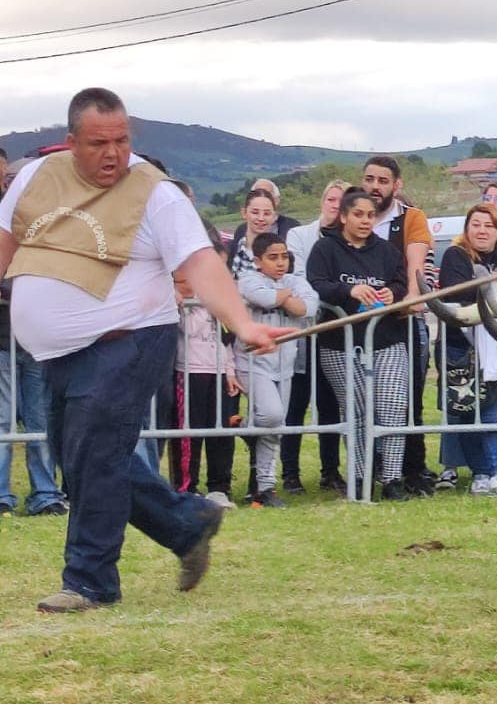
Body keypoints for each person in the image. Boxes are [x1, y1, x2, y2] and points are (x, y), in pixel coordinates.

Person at [0, 88, 289, 612]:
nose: (113, 154)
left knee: (92, 454)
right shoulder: (35, 177)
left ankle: (89, 580)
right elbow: (6, 239)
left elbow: (201, 262)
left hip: (129, 341)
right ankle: (187, 523)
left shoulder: (156, 194)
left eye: (122, 140)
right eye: (98, 143)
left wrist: (241, 322)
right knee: (85, 457)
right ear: (71, 142)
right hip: (61, 355)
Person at [306, 187, 414, 501]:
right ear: (343, 217)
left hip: (387, 339)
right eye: (358, 214)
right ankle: (360, 477)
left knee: (393, 407)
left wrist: (393, 293)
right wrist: (348, 292)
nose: (365, 221)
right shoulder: (325, 249)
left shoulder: (387, 251)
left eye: (370, 215)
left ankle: (392, 479)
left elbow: (398, 280)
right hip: (341, 344)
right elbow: (318, 284)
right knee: (357, 411)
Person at [360, 155, 439, 497]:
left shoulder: (411, 219)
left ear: (396, 185)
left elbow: (415, 264)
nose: (375, 186)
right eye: (370, 179)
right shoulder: (354, 215)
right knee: (362, 403)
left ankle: (412, 470)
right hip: (360, 324)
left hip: (403, 321)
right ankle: (364, 472)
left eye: (382, 180)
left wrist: (410, 301)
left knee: (409, 401)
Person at [436, 205, 497, 496]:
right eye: (476, 224)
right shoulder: (454, 255)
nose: (482, 230)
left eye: (489, 225)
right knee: (465, 409)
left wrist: (484, 287)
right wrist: (490, 286)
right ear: (467, 228)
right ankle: (480, 473)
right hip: (459, 346)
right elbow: (452, 290)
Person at [234, 231, 317, 507]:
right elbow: (261, 297)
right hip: (253, 361)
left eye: (284, 257)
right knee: (271, 416)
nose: (281, 263)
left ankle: (265, 487)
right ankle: (248, 427)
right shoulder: (248, 278)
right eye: (273, 257)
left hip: (285, 364)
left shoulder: (296, 280)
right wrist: (284, 297)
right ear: (258, 261)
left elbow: (308, 307)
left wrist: (285, 297)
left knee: (275, 426)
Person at [286, 180, 348, 492]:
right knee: (295, 403)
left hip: (333, 331)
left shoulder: (345, 242)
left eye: (341, 201)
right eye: (331, 199)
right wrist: (320, 300)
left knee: (329, 404)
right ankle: (290, 472)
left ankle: (330, 471)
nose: (335, 205)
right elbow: (297, 277)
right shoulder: (299, 235)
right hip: (303, 329)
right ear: (323, 201)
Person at [166, 271, 241, 505]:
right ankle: (186, 486)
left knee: (221, 431)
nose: (187, 284)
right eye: (181, 281)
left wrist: (229, 370)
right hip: (189, 372)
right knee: (189, 432)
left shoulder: (211, 297)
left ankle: (220, 487)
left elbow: (226, 339)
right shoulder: (175, 303)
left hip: (217, 371)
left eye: (190, 278)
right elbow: (190, 329)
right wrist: (189, 301)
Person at [0, 275, 65, 516]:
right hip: (6, 345)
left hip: (38, 346)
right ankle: (4, 495)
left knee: (40, 422)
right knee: (3, 422)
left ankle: (45, 493)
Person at [226, 186, 284, 279]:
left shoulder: (281, 253)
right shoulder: (230, 251)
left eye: (267, 213)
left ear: (274, 216)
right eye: (255, 212)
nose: (261, 218)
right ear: (244, 213)